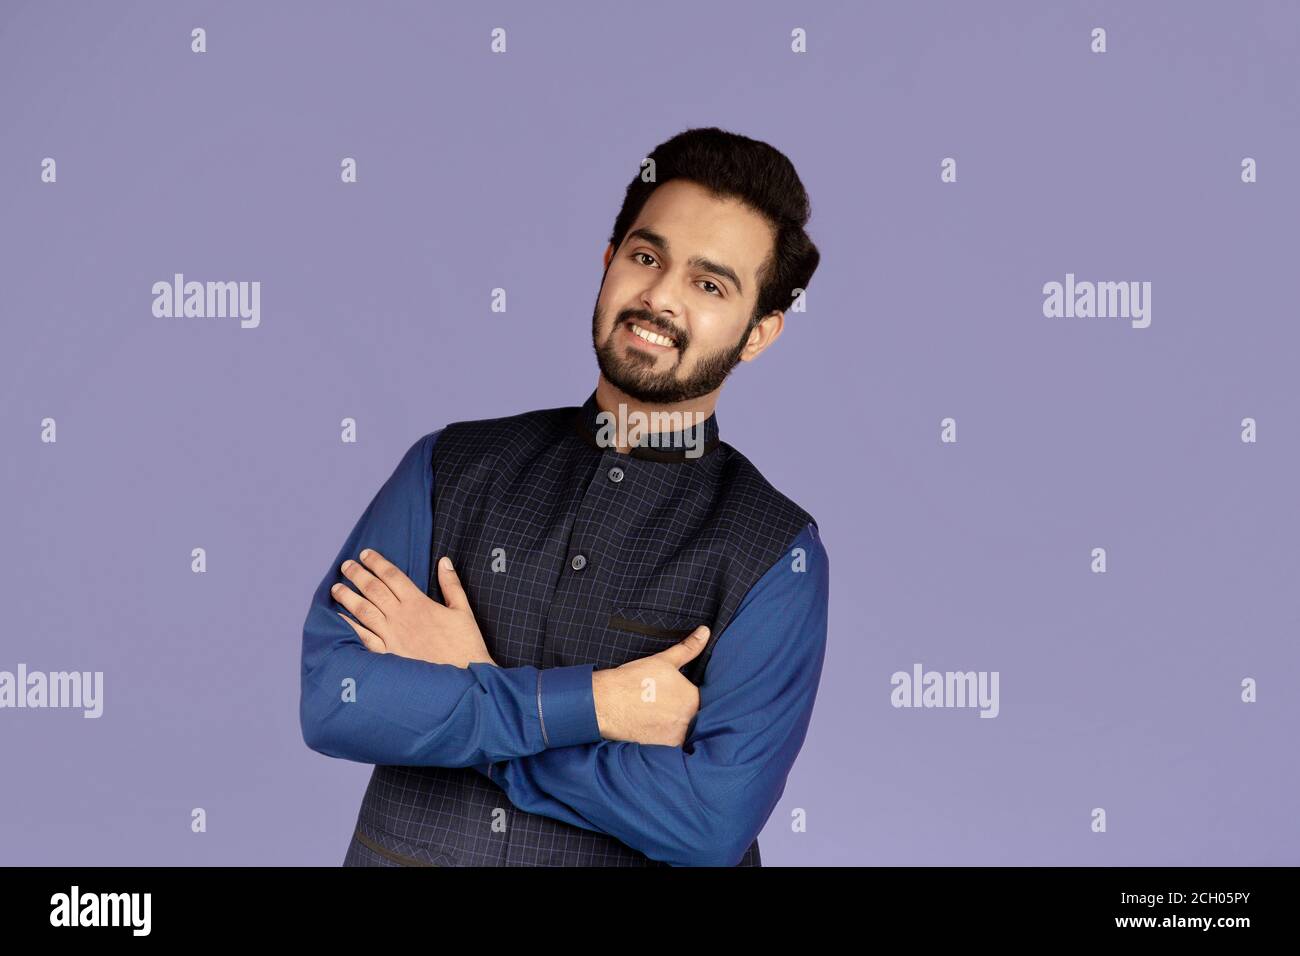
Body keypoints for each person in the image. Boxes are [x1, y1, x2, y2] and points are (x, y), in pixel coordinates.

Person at [300, 126, 828, 867]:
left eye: (709, 285)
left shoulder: (776, 552)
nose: (660, 298)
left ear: (759, 333)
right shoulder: (448, 466)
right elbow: (334, 698)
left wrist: (473, 690)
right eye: (647, 257)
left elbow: (710, 822)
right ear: (609, 262)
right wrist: (599, 707)